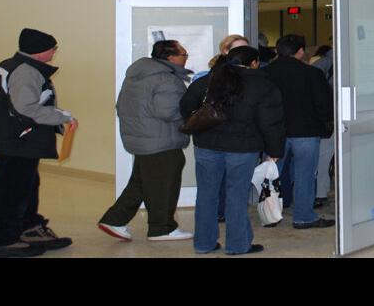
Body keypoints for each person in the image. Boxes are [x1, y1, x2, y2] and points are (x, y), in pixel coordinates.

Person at [0, 28, 75, 258]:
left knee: (26, 185)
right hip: (17, 142)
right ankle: (2, 241)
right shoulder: (27, 71)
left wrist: (4, 115)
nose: (55, 51)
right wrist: (63, 117)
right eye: (53, 47)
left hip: (7, 139)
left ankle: (28, 228)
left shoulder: (9, 64)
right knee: (13, 191)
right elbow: (25, 108)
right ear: (40, 51)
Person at [180, 46, 285, 255]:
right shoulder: (262, 85)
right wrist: (274, 149)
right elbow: (270, 122)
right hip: (243, 149)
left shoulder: (208, 81)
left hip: (206, 145)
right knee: (236, 196)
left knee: (207, 194)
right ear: (254, 63)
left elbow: (185, 106)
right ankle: (238, 245)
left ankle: (203, 243)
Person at [97, 40, 194, 242]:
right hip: (161, 141)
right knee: (165, 184)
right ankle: (162, 228)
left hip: (143, 139)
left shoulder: (137, 75)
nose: (186, 58)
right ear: (170, 57)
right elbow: (168, 112)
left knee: (141, 183)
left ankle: (115, 220)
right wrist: (192, 111)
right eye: (184, 54)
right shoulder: (166, 79)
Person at [265, 35, 335, 229]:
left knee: (271, 174)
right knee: (304, 174)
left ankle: (270, 216)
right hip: (306, 131)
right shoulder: (312, 73)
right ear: (301, 51)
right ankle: (304, 217)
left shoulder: (265, 73)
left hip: (274, 132)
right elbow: (323, 104)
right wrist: (326, 126)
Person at [191, 34, 250, 222]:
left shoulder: (254, 78)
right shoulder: (204, 78)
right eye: (238, 48)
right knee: (211, 188)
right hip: (211, 138)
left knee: (232, 186)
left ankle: (221, 217)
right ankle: (219, 219)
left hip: (238, 139)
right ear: (225, 51)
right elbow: (188, 105)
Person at [311, 46, 333, 207]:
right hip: (333, 116)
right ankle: (321, 192)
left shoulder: (322, 63)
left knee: (322, 157)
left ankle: (320, 192)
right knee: (325, 156)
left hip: (324, 118)